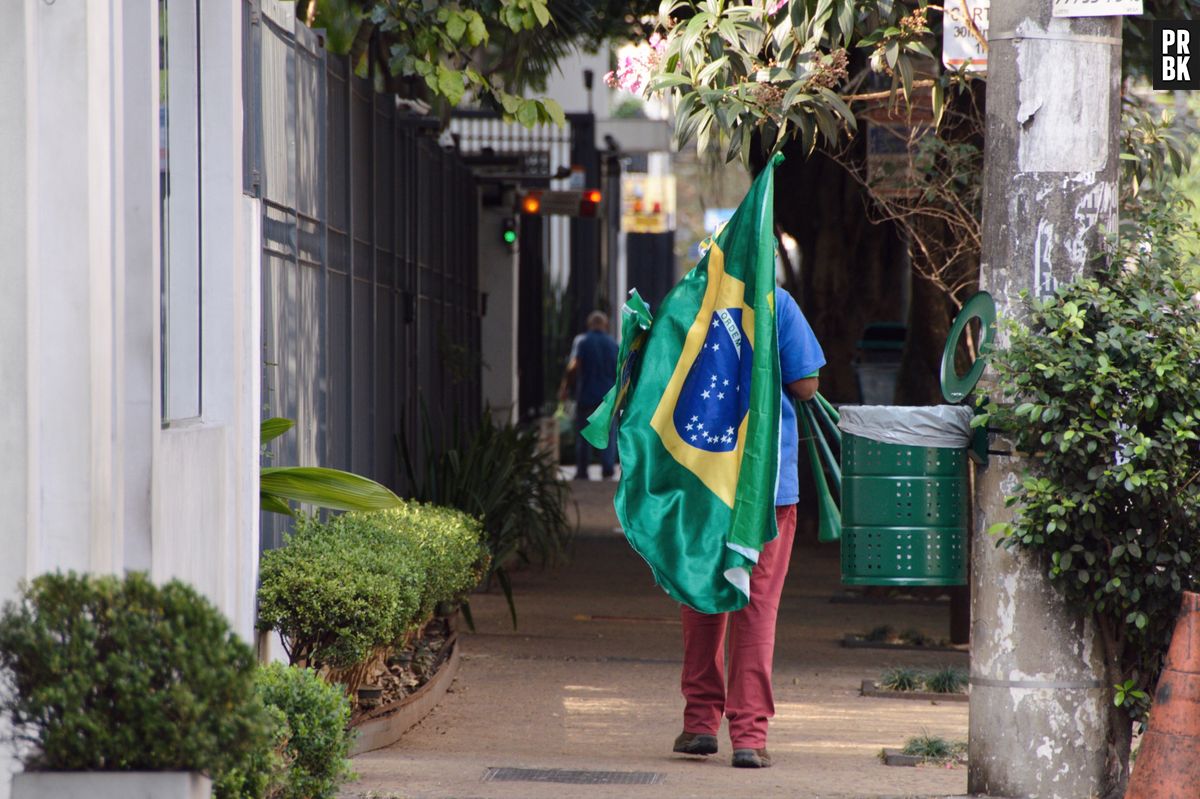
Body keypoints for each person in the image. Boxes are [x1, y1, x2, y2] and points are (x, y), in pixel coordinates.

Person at [672, 286, 824, 768]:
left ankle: (700, 723)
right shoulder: (777, 301)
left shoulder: (691, 297)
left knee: (702, 595)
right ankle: (749, 736)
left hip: (703, 477)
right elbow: (806, 385)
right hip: (765, 485)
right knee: (757, 606)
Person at [560, 311, 619, 480]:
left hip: (587, 395)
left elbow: (574, 366)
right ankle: (607, 468)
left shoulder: (582, 341)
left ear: (589, 325)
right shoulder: (613, 344)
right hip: (608, 397)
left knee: (584, 434)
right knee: (607, 434)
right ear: (605, 325)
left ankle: (582, 470)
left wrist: (565, 387)